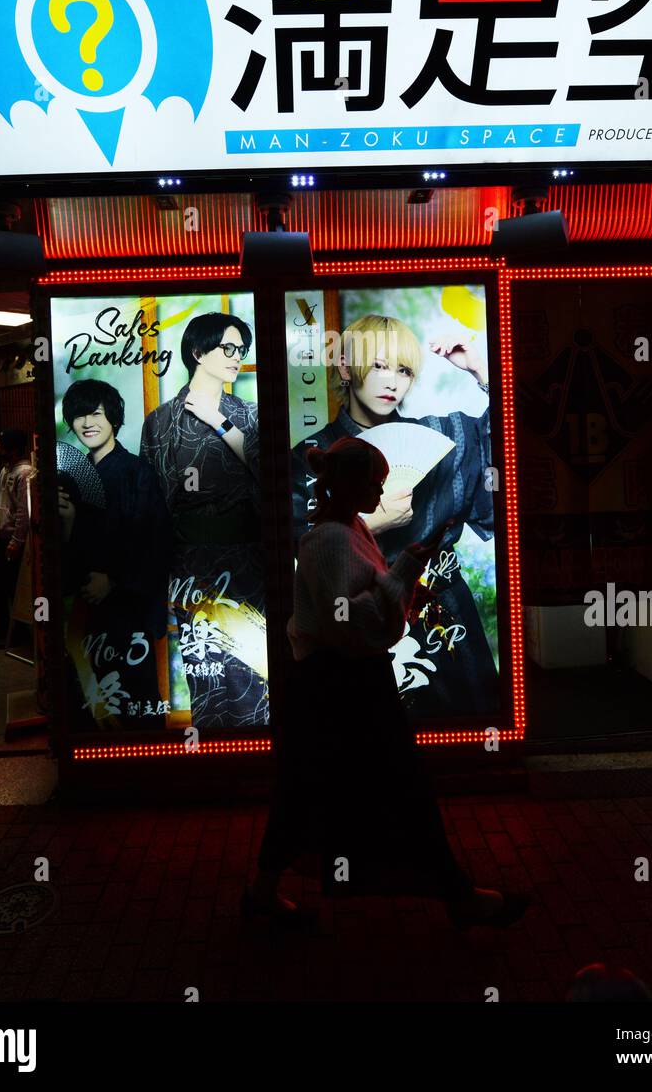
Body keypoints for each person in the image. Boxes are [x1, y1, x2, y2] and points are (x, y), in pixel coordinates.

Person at [242, 437, 530, 930]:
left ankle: (265, 895)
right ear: (351, 485)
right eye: (375, 483)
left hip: (333, 684)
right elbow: (346, 621)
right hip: (344, 684)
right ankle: (455, 893)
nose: (382, 492)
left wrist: (400, 574)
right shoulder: (333, 539)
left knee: (307, 787)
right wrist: (400, 575)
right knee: (399, 787)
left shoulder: (345, 529)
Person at [291, 312, 500, 719]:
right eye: (379, 366)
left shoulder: (442, 434)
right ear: (346, 367)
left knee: (468, 727)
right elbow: (298, 547)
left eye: (403, 370)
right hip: (357, 619)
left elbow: (508, 441)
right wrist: (366, 524)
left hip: (441, 614)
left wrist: (481, 370)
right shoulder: (312, 454)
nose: (392, 381)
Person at [140, 312, 267, 730]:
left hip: (246, 563)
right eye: (227, 348)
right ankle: (216, 758)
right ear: (198, 352)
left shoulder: (247, 414)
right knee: (204, 669)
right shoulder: (159, 420)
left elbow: (268, 472)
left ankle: (260, 760)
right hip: (189, 564)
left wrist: (219, 420)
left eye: (241, 350)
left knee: (252, 675)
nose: (236, 357)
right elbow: (153, 501)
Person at [59, 379, 172, 727]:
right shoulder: (71, 477)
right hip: (83, 608)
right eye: (78, 416)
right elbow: (67, 549)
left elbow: (156, 542)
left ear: (114, 418)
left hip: (127, 608)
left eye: (95, 413)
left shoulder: (138, 473)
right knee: (88, 704)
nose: (87, 423)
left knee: (134, 699)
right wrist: (68, 522)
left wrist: (115, 581)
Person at [0, 428, 31, 645]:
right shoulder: (5, 470)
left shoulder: (25, 473)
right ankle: (2, 626)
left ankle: (18, 633)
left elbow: (24, 512)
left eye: (0, 444)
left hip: (11, 540)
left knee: (12, 588)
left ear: (13, 449)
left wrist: (16, 542)